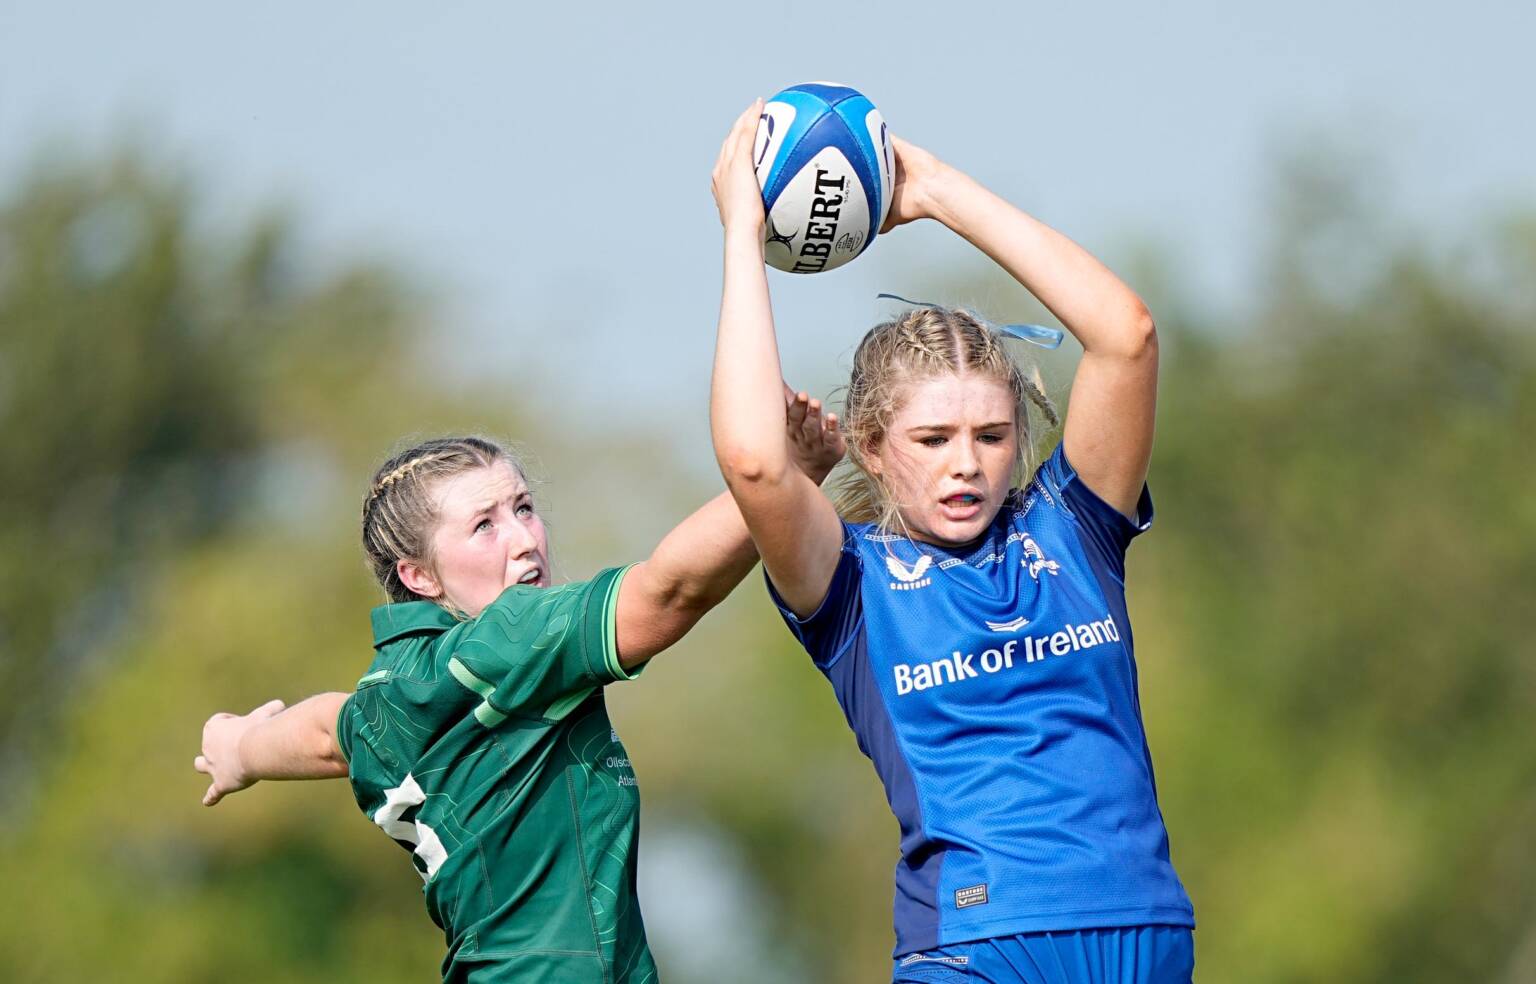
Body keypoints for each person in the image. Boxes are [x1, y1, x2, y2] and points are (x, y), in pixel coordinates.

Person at [708, 101, 1196, 983]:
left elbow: (1126, 337)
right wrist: (744, 235)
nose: (966, 463)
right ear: (869, 446)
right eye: (933, 439)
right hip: (976, 942)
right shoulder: (850, 584)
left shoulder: (1074, 530)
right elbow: (753, 463)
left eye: (992, 435)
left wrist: (933, 190)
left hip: (1142, 929)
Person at [194, 409, 845, 984]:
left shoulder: (387, 695)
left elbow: (323, 734)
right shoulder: (510, 641)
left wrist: (240, 749)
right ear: (418, 575)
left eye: (524, 508)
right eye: (484, 525)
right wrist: (779, 484)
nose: (526, 538)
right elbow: (671, 592)